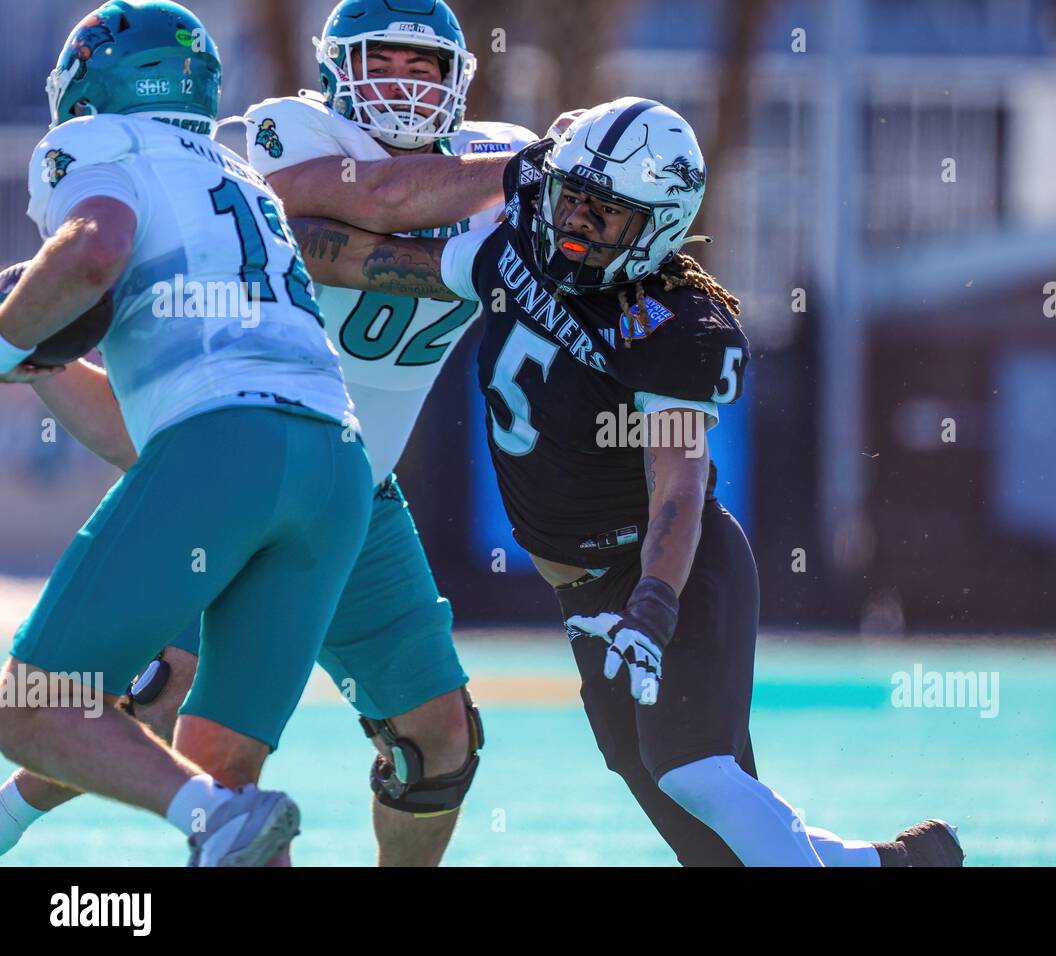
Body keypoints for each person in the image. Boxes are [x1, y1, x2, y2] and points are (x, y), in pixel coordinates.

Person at [289, 97, 965, 866]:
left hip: (671, 573)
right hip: (587, 595)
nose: (574, 223)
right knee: (706, 840)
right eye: (570, 197)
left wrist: (654, 602)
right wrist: (249, 233)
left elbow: (679, 484)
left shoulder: (676, 324)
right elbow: (362, 259)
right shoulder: (516, 250)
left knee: (698, 773)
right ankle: (897, 863)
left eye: (602, 213)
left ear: (660, 224)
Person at [0, 0, 538, 866]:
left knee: (429, 743)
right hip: (312, 460)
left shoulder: (130, 157)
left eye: (423, 66)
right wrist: (538, 184)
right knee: (171, 719)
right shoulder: (275, 152)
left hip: (312, 471)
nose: (402, 84)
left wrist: (16, 341)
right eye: (382, 61)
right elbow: (381, 199)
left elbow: (98, 250)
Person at [0, 0, 373, 866]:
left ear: (92, 84)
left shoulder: (96, 145)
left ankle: (207, 814)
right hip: (332, 467)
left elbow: (96, 249)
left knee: (29, 705)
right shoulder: (240, 179)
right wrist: (39, 364)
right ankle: (218, 813)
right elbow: (157, 441)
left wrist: (7, 336)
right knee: (231, 776)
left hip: (228, 447)